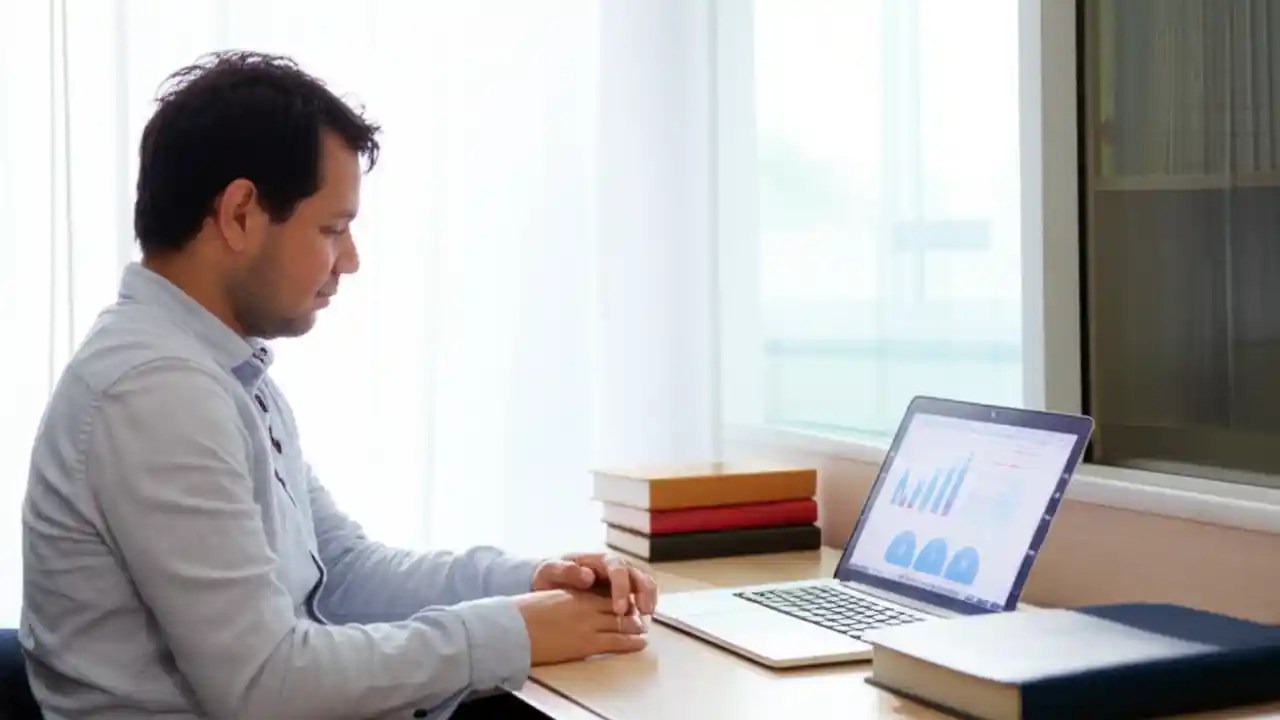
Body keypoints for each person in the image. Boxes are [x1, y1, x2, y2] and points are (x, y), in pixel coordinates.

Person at [20, 51, 657, 720]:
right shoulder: (156, 393)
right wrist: (514, 631)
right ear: (239, 214)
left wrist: (526, 584)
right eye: (332, 229)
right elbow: (265, 686)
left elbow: (341, 572)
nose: (350, 260)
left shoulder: (214, 369)